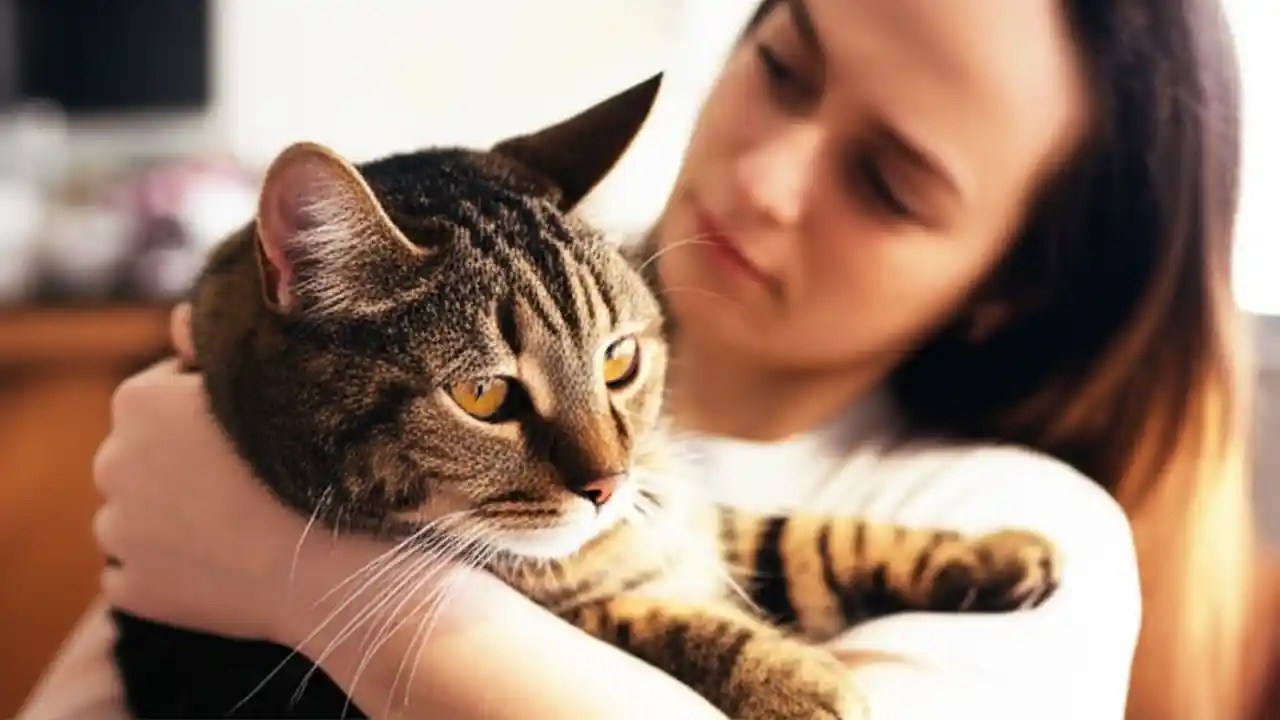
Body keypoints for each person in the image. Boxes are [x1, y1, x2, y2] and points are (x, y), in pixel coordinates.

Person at [19, 0, 1257, 718]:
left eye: (885, 183)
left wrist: (297, 586)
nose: (762, 180)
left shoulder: (1024, 526)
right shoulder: (324, 406)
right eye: (781, 68)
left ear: (1013, 284)